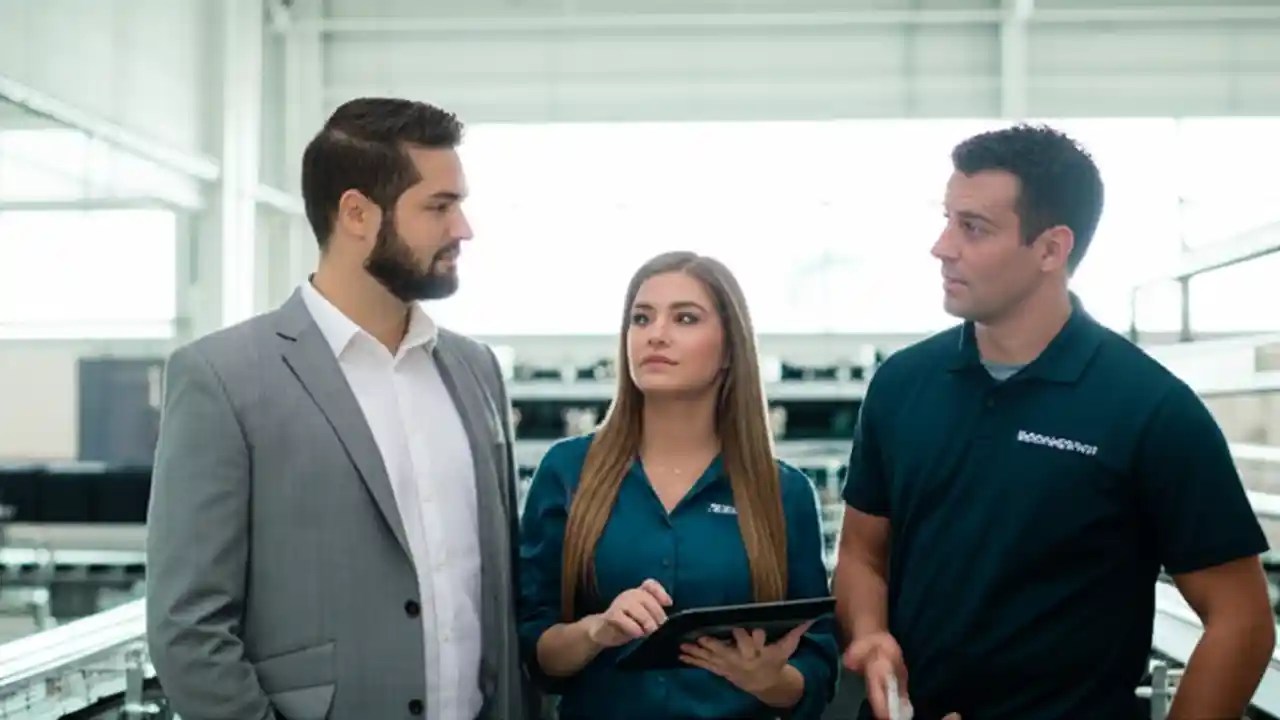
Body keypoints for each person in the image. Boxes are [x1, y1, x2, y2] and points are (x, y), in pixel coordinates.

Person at [834, 123, 1276, 720]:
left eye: (973, 228)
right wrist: (870, 633)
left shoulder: (1149, 408)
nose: (942, 246)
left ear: (1050, 248)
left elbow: (1241, 620)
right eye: (947, 219)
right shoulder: (902, 385)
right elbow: (862, 553)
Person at [146, 98, 532, 720]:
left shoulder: (475, 369)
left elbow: (501, 597)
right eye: (439, 206)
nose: (463, 229)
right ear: (356, 213)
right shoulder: (222, 378)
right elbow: (188, 629)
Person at [517, 251, 840, 719]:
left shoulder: (783, 493)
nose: (656, 334)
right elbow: (536, 651)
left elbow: (816, 668)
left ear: (730, 349)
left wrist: (769, 681)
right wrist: (596, 631)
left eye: (685, 318)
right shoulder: (567, 471)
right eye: (641, 318)